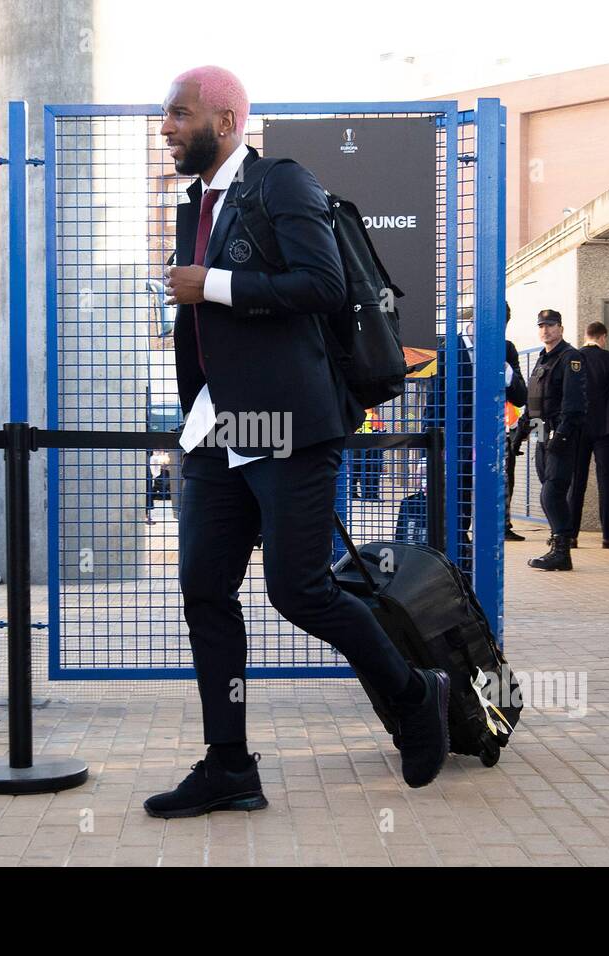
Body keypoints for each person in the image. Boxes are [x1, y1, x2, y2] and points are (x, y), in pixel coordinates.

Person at [148, 65, 451, 818]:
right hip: (218, 428)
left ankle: (417, 699)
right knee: (203, 589)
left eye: (178, 114)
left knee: (299, 590)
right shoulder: (197, 203)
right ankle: (229, 766)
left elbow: (322, 284)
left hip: (290, 424)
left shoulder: (281, 182)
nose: (166, 128)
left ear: (224, 122)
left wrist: (210, 285)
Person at [525, 309, 587, 571]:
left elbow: (573, 402)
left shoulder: (570, 357)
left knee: (553, 492)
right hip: (541, 431)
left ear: (560, 328)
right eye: (541, 325)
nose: (545, 330)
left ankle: (562, 550)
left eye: (550, 325)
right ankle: (557, 546)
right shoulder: (543, 358)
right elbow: (534, 400)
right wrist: (521, 433)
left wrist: (561, 435)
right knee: (548, 490)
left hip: (560, 433)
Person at [566, 321, 609, 549]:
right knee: (606, 483)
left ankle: (571, 535)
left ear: (586, 336)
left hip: (578, 429)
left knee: (577, 483)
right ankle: (608, 536)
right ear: (603, 337)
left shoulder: (573, 357)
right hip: (605, 429)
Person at [504, 304, 529, 542]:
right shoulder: (452, 346)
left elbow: (521, 396)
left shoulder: (507, 350)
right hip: (460, 434)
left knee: (504, 478)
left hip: (498, 433)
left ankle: (503, 524)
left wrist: (508, 373)